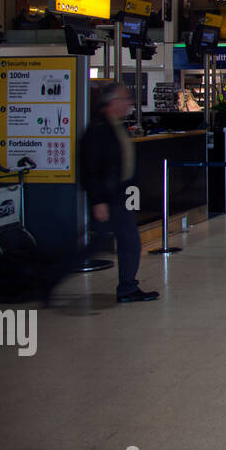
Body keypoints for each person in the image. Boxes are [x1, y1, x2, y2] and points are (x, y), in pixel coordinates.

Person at [80, 82, 159, 302]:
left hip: (121, 192)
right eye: (125, 99)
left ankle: (127, 286)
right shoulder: (99, 129)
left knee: (116, 241)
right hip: (110, 196)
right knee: (123, 241)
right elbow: (92, 167)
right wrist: (98, 201)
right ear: (111, 103)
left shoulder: (115, 125)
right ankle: (126, 288)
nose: (129, 104)